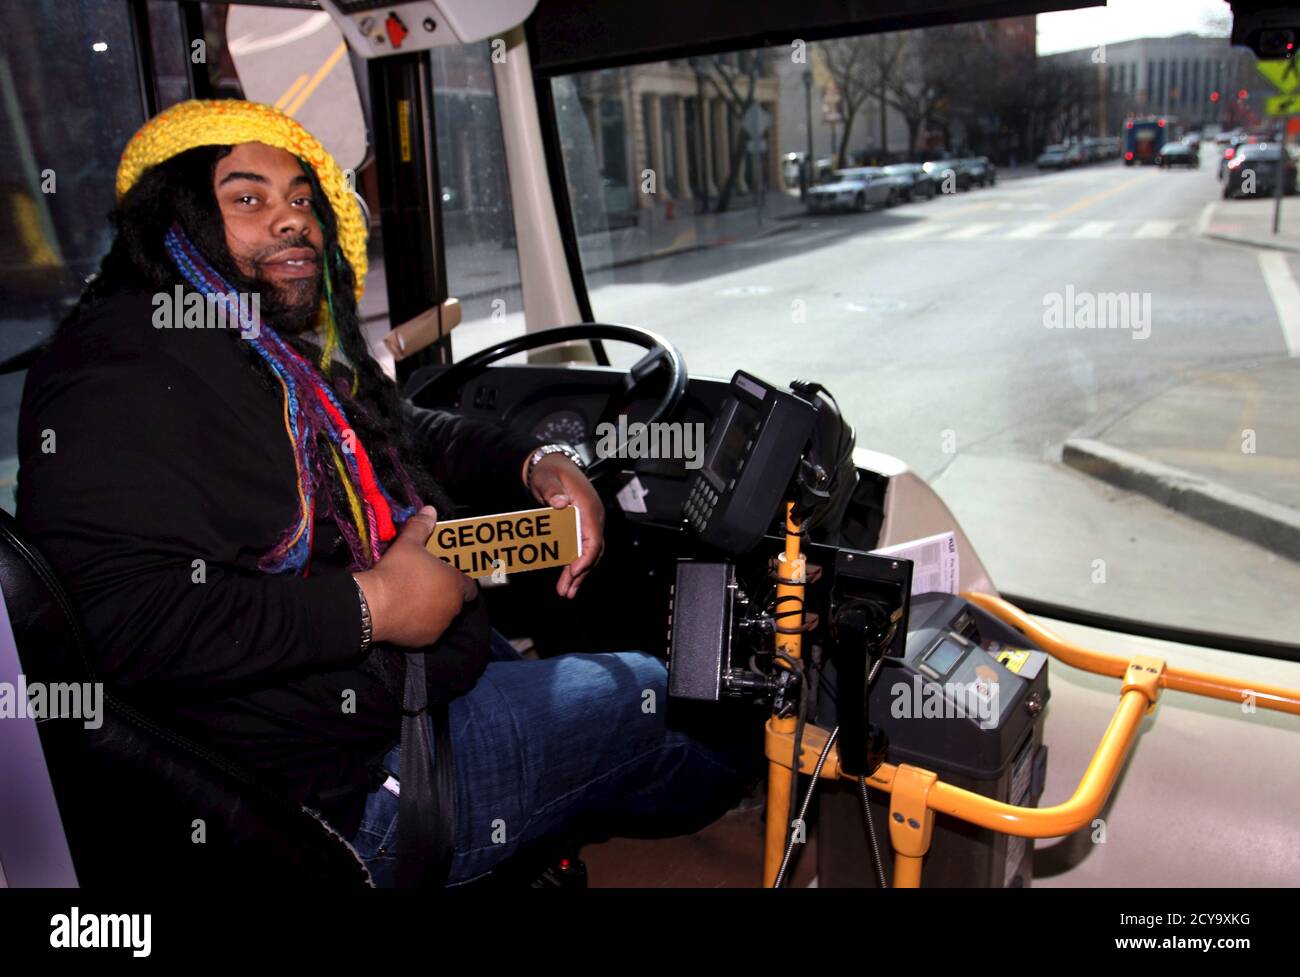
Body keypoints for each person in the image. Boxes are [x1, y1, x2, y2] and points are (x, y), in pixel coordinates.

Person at [16, 100, 760, 887]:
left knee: (549, 664)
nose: (292, 221)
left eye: (301, 198)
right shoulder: (121, 370)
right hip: (338, 796)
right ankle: (736, 778)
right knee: (648, 692)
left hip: (383, 700)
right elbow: (117, 621)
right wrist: (373, 603)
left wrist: (538, 460)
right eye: (248, 198)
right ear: (175, 218)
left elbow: (398, 426)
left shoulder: (260, 351)